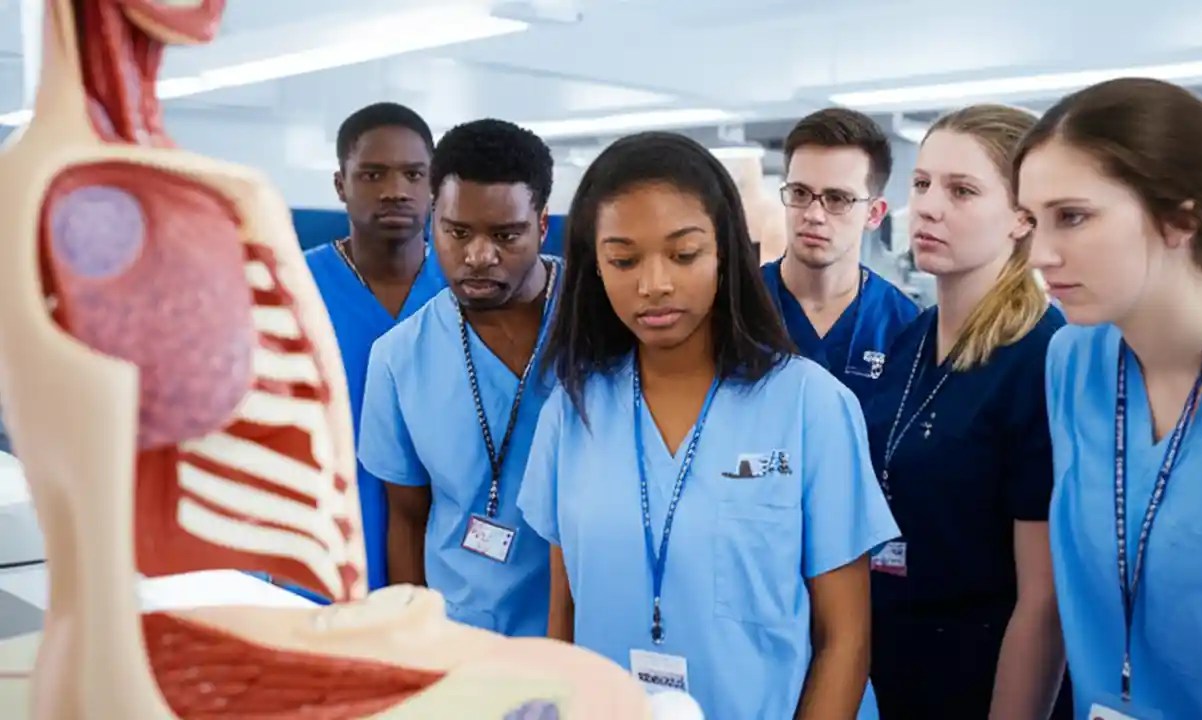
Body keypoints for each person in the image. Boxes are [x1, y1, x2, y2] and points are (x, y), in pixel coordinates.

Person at [517, 131, 899, 720]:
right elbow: (565, 615)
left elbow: (844, 639)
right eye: (624, 260)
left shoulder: (811, 406)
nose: (655, 284)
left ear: (725, 253)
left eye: (684, 254)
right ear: (595, 268)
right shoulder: (572, 411)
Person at [1014, 78, 1202, 720]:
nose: (1039, 254)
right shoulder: (1072, 360)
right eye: (1032, 221)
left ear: (1182, 218)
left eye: (1073, 216)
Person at [861, 104, 1068, 719]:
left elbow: (1043, 603)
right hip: (892, 667)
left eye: (962, 191)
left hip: (983, 677)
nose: (927, 207)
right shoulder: (912, 338)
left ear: (1021, 217)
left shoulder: (1039, 358)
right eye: (922, 183)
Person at [358, 118, 559, 637]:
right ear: (433, 220)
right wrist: (412, 643)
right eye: (458, 232)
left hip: (582, 633)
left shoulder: (601, 329)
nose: (478, 257)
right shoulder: (399, 358)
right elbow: (407, 517)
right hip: (459, 630)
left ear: (541, 225)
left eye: (506, 235)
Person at [302, 102, 447, 593]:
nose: (395, 190)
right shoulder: (292, 287)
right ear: (340, 184)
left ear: (434, 185)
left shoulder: (467, 292)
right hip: (320, 551)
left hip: (444, 555)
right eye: (372, 174)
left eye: (413, 174)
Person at [760, 108, 920, 403]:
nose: (813, 214)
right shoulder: (737, 307)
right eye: (800, 193)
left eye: (837, 199)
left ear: (874, 214)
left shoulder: (905, 327)